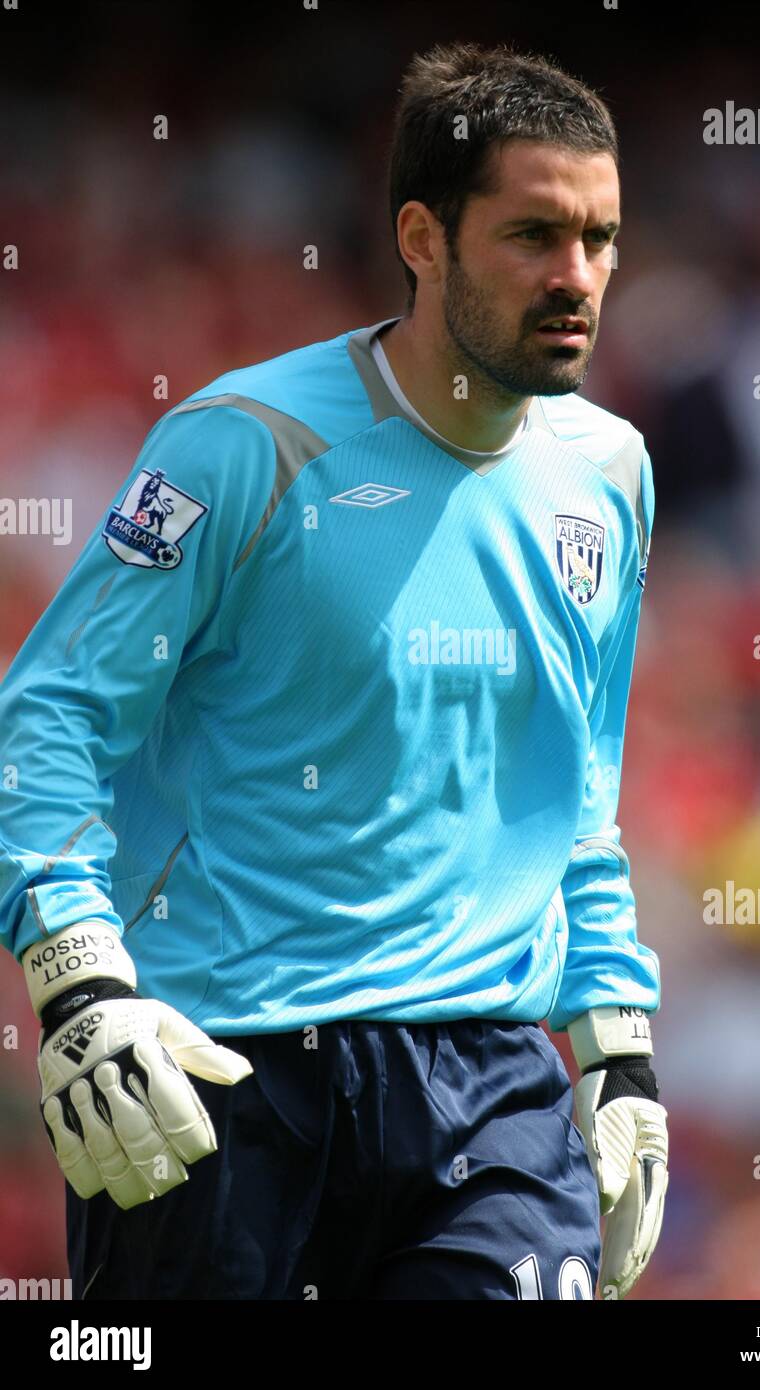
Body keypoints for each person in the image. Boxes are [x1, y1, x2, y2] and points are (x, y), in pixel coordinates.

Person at [0, 40, 667, 1301]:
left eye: (601, 238)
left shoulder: (610, 471)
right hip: (222, 1078)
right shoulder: (238, 447)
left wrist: (613, 1044)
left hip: (491, 1093)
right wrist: (79, 978)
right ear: (423, 236)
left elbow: (577, 784)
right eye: (534, 234)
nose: (577, 277)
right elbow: (48, 719)